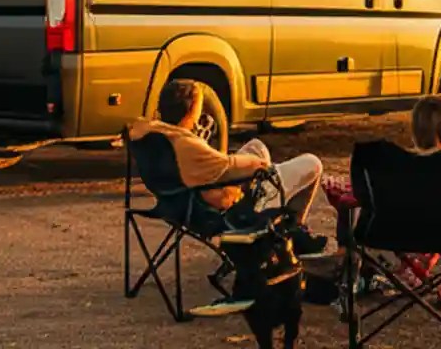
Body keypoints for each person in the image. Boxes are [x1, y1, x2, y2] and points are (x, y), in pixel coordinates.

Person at [127, 78, 329, 316]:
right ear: (192, 109)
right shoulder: (183, 143)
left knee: (256, 144)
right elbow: (226, 164)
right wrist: (261, 166)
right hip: (221, 211)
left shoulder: (153, 132)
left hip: (172, 203)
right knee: (311, 164)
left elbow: (207, 164)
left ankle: (289, 231)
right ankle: (292, 230)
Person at [320, 94, 441, 308]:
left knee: (355, 210)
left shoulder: (386, 167)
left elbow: (353, 200)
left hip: (385, 235)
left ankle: (351, 282)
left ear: (414, 127)